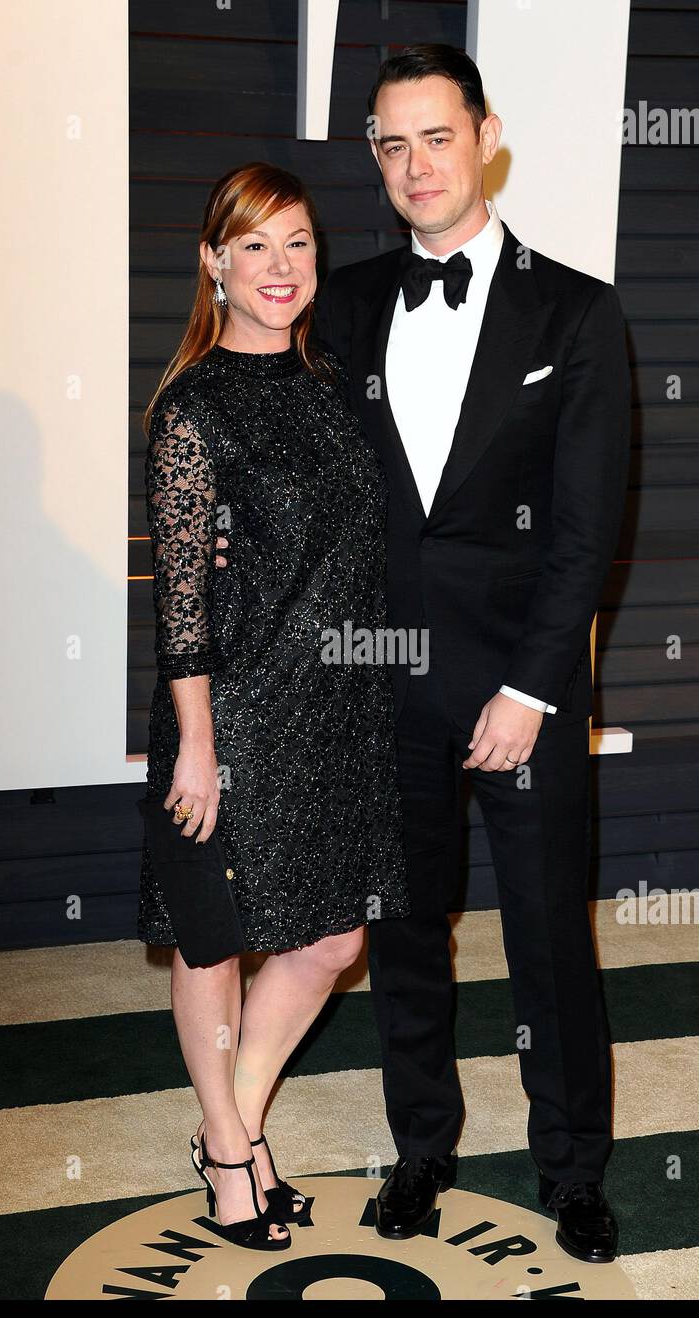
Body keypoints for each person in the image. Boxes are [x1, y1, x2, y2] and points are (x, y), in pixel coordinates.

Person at [304, 44, 630, 1261]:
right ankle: (422, 1148)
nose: (413, 165)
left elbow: (590, 525)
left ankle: (575, 1169)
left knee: (550, 934)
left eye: (434, 136)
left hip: (524, 688)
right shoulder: (343, 307)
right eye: (390, 144)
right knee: (405, 933)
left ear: (485, 137)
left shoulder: (577, 310)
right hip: (386, 685)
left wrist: (533, 685)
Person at [136, 161, 410, 1252]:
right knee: (215, 944)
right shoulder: (192, 411)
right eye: (253, 246)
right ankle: (230, 1157)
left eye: (296, 243)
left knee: (334, 937)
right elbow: (183, 604)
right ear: (214, 262)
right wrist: (197, 746)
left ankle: (232, 1124)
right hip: (235, 714)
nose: (279, 267)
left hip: (336, 710)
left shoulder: (333, 383)